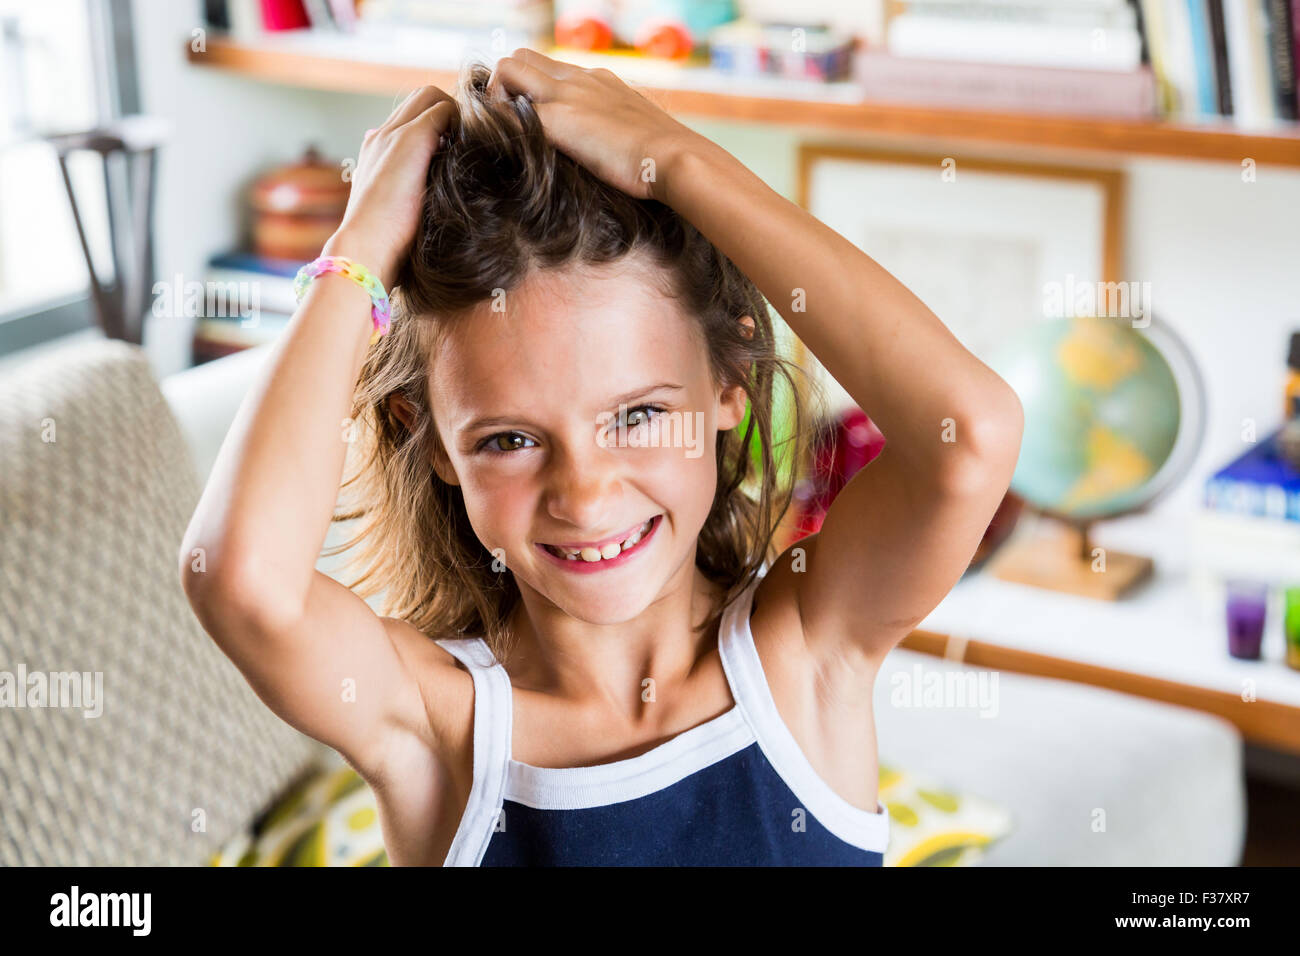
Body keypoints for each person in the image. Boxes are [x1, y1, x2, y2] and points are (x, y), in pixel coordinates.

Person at [180, 49, 1023, 866]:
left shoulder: (806, 654)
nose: (584, 496)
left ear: (732, 382)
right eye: (509, 439)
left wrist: (676, 160)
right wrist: (358, 248)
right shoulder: (437, 727)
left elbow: (971, 435)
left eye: (638, 416)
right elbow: (239, 576)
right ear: (431, 440)